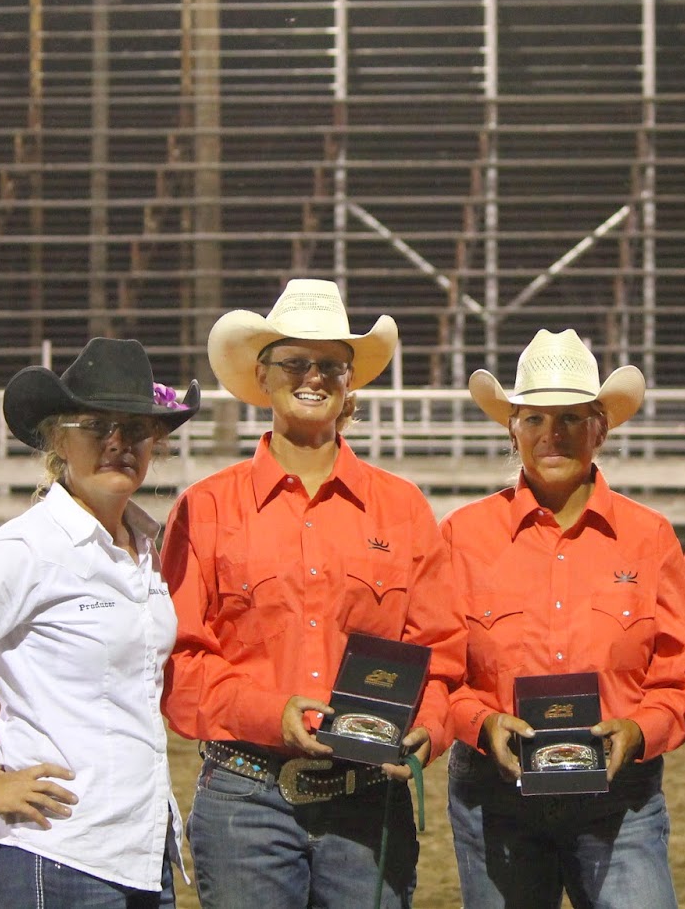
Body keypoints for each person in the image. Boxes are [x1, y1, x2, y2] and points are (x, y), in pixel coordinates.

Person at [160, 278, 466, 909]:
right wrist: (269, 714)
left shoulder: (403, 509)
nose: (314, 377)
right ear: (263, 376)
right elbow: (180, 662)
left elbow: (439, 652)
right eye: (295, 362)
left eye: (330, 365)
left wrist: (429, 726)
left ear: (349, 382)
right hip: (247, 795)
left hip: (367, 794)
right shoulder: (205, 508)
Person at [0, 337, 200, 908]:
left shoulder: (146, 549)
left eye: (136, 429)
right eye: (96, 427)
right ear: (59, 440)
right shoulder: (30, 548)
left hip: (138, 852)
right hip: (58, 854)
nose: (119, 443)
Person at [440, 329, 685, 909]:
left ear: (599, 429)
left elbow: (681, 670)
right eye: (534, 419)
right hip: (496, 794)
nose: (551, 434)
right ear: (512, 430)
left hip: (620, 797)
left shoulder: (649, 537)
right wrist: (480, 722)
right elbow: (439, 668)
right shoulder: (463, 536)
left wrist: (641, 730)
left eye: (570, 419)